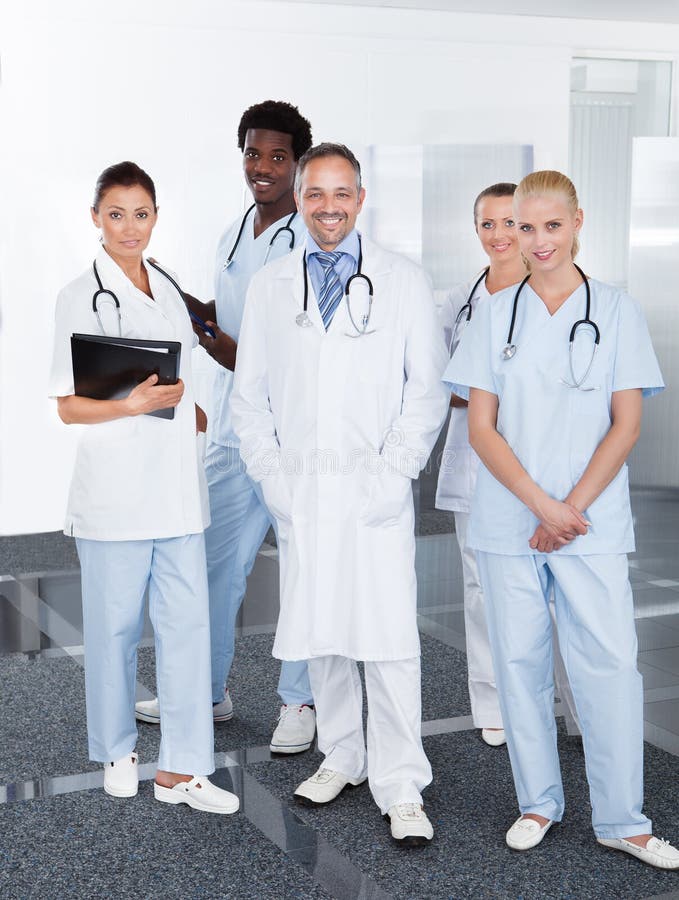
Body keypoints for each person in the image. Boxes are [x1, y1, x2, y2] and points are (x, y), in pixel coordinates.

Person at [443, 170, 679, 867]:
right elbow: (480, 428)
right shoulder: (493, 313)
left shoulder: (615, 309)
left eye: (551, 225)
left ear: (578, 221)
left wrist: (566, 509)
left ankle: (622, 819)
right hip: (510, 518)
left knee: (608, 665)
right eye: (523, 227)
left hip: (587, 522)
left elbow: (626, 423)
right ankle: (537, 802)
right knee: (518, 666)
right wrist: (540, 505)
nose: (536, 241)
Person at [230, 143, 449, 844]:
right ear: (299, 198)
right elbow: (249, 396)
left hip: (373, 489)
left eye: (341, 193)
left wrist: (394, 472)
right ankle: (342, 755)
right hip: (303, 489)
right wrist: (272, 476)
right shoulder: (271, 284)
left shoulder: (404, 281)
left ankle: (400, 780)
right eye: (314, 194)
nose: (328, 207)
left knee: (386, 641)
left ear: (360, 199)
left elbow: (426, 392)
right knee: (321, 632)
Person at [48, 161, 238, 814]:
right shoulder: (79, 294)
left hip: (177, 490)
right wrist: (131, 407)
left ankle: (182, 769)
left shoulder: (166, 287)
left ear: (156, 217)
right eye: (117, 213)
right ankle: (120, 751)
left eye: (142, 213)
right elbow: (69, 407)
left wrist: (191, 411)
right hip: (115, 496)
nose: (130, 226)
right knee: (114, 628)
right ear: (96, 218)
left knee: (186, 628)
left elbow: (176, 373)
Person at [134, 101, 317, 755]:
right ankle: (204, 691)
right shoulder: (237, 228)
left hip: (291, 431)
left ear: (297, 162)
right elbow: (230, 311)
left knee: (302, 566)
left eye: (275, 156)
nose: (261, 168)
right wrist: (190, 309)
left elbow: (287, 351)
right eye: (251, 153)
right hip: (236, 430)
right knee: (210, 564)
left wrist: (221, 348)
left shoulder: (308, 240)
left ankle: (300, 700)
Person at [436, 183, 581, 747]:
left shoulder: (555, 293)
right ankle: (494, 703)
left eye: (509, 223)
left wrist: (487, 388)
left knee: (558, 592)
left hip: (548, 465)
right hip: (478, 465)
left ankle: (571, 703)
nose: (499, 236)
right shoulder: (459, 301)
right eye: (487, 225)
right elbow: (443, 383)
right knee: (481, 590)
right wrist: (485, 388)